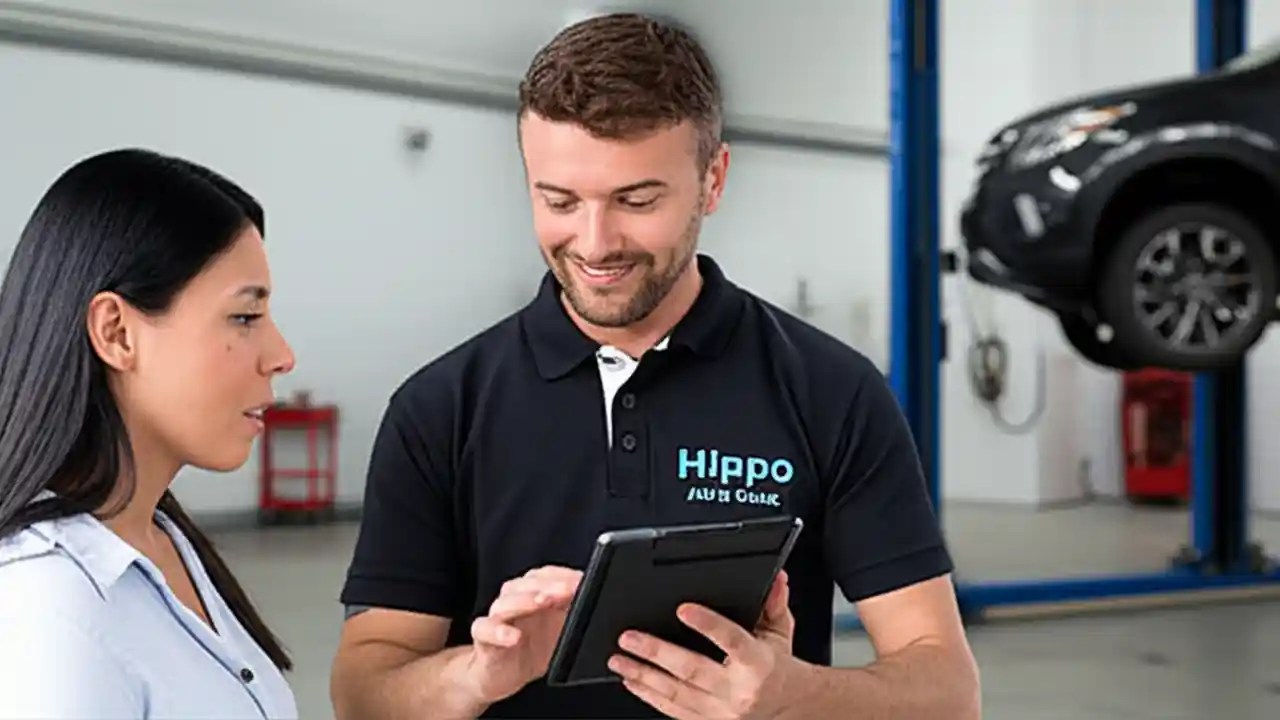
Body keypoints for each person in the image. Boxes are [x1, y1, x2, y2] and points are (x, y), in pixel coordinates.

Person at [331, 12, 981, 720]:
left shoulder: (831, 392)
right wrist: (477, 675)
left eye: (637, 200)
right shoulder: (441, 409)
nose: (595, 241)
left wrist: (793, 698)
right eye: (559, 201)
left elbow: (947, 692)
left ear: (713, 179)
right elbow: (364, 694)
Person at [0, 149, 299, 719]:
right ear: (116, 332)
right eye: (244, 317)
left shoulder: (161, 541)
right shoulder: (51, 613)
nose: (281, 356)